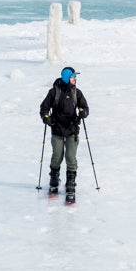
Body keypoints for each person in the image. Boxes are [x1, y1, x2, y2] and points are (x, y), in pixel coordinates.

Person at [39, 66, 89, 196]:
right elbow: (44, 108)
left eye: (75, 77)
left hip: (72, 129)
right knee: (57, 156)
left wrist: (83, 112)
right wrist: (47, 118)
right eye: (73, 77)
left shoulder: (77, 93)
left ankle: (70, 182)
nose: (75, 79)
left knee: (71, 157)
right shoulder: (54, 92)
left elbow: (84, 106)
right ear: (67, 78)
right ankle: (54, 180)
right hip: (57, 129)